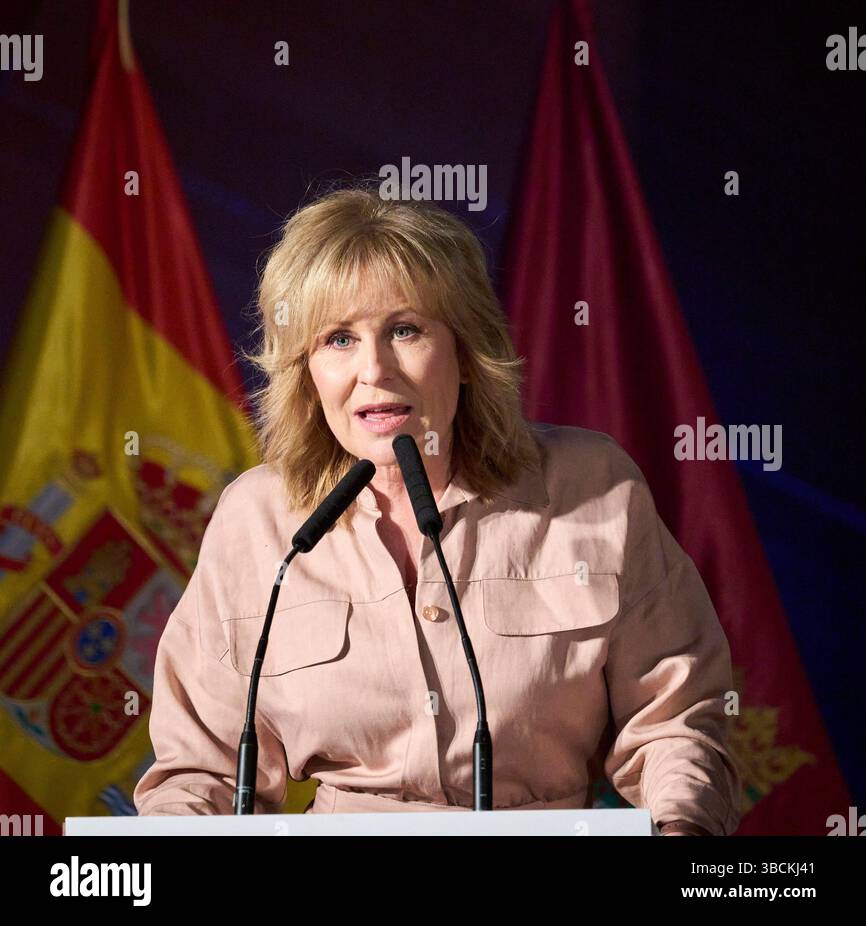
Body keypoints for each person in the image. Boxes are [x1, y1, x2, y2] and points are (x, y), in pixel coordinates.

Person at [133, 186, 741, 834]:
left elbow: (676, 724)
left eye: (405, 329)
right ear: (305, 370)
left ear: (466, 352)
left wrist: (682, 836)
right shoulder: (256, 520)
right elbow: (203, 774)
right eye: (337, 339)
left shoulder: (593, 487)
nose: (375, 369)